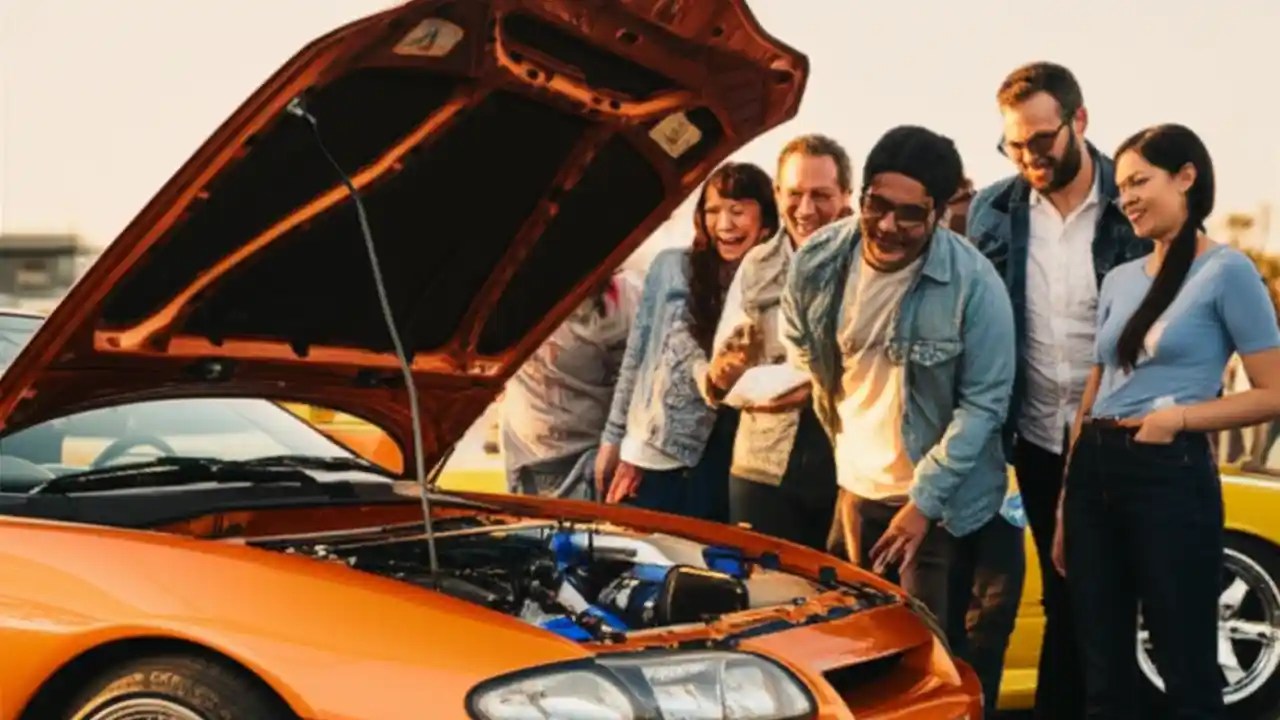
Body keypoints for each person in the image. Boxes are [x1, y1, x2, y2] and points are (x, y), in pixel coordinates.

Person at [1060, 124, 1280, 720]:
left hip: (1166, 469)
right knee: (1101, 667)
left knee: (1184, 662)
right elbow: (1098, 382)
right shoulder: (1120, 278)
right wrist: (1066, 499)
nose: (1126, 197)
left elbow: (1272, 393)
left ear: (1186, 177)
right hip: (1094, 468)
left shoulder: (1227, 272)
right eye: (1121, 186)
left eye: (1140, 181)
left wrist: (1179, 419)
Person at [780, 125, 1016, 648]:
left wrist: (922, 507)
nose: (887, 225)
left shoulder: (974, 285)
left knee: (923, 660)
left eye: (909, 214)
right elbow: (799, 340)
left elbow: (984, 405)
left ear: (938, 213)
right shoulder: (819, 261)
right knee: (852, 653)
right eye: (876, 205)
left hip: (937, 505)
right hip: (855, 493)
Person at [967, 61, 1148, 719]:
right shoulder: (993, 208)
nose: (1028, 157)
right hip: (1040, 438)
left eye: (1041, 140)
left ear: (1079, 121)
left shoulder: (1134, 201)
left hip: (1124, 433)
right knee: (1063, 594)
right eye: (1013, 145)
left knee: (1114, 599)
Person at [596, 162, 777, 520]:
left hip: (735, 460)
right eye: (713, 211)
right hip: (659, 453)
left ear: (766, 222)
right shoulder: (671, 267)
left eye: (737, 211)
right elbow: (638, 357)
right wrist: (615, 440)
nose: (724, 224)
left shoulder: (776, 281)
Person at [698, 134, 852, 549]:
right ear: (778, 194)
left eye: (821, 195)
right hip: (762, 467)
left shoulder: (873, 261)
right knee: (766, 598)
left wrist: (803, 385)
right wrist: (722, 377)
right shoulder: (756, 264)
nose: (806, 210)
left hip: (850, 471)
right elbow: (723, 375)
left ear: (846, 195)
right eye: (795, 194)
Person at [499, 271, 640, 498]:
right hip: (539, 459)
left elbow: (640, 379)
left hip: (600, 458)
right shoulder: (518, 294)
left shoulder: (629, 296)